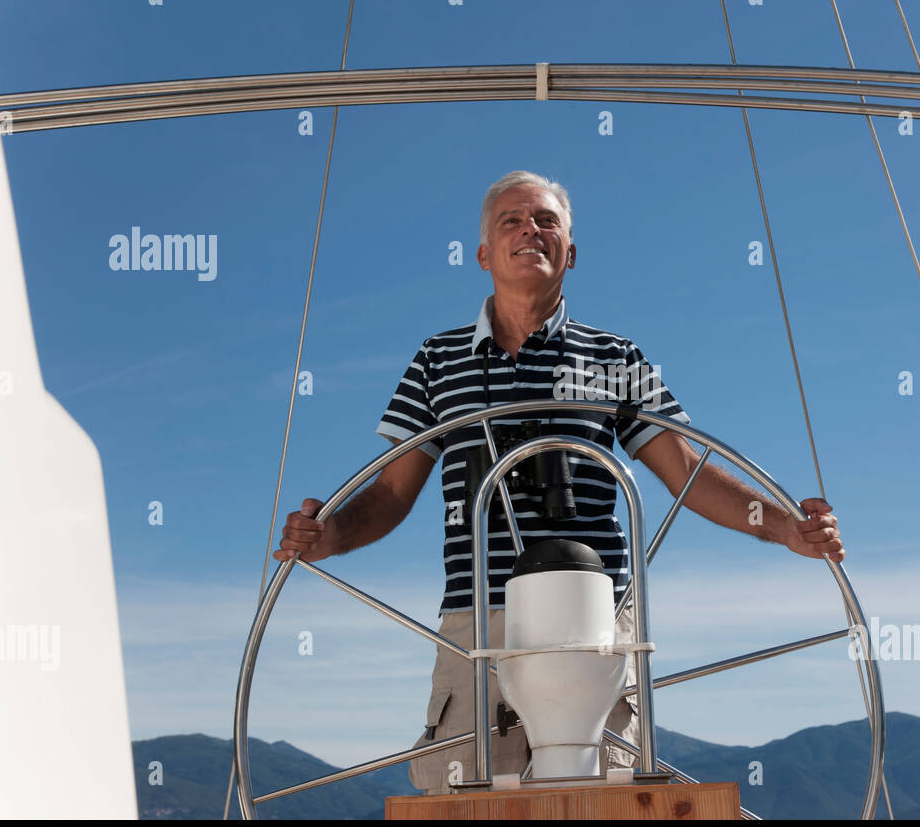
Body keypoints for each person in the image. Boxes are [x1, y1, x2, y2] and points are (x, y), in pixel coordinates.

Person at [273, 170, 845, 794]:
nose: (531, 230)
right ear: (484, 253)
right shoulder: (436, 361)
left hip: (595, 619)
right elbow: (388, 494)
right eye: (511, 221)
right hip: (479, 616)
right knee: (462, 801)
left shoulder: (617, 359)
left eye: (547, 221)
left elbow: (688, 472)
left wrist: (784, 526)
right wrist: (329, 537)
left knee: (599, 799)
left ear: (570, 251)